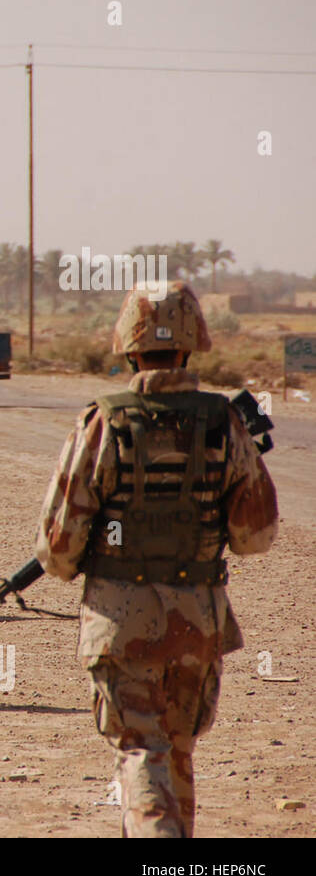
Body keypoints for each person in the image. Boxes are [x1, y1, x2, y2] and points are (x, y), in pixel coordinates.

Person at [35, 281, 279, 837]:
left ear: (128, 345)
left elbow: (57, 548)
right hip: (199, 622)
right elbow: (256, 536)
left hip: (121, 625)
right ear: (192, 343)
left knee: (143, 753)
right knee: (177, 751)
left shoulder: (103, 422)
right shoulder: (224, 423)